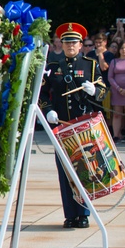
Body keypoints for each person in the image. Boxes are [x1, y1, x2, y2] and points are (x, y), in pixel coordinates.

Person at [41, 22, 107, 228]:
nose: (71, 45)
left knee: (86, 167)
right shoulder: (53, 67)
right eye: (67, 41)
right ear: (62, 44)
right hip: (61, 125)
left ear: (81, 45)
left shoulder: (90, 64)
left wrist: (93, 91)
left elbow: (103, 90)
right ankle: (70, 214)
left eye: (74, 42)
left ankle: (83, 213)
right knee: (65, 171)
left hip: (84, 125)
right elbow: (42, 93)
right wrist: (48, 109)